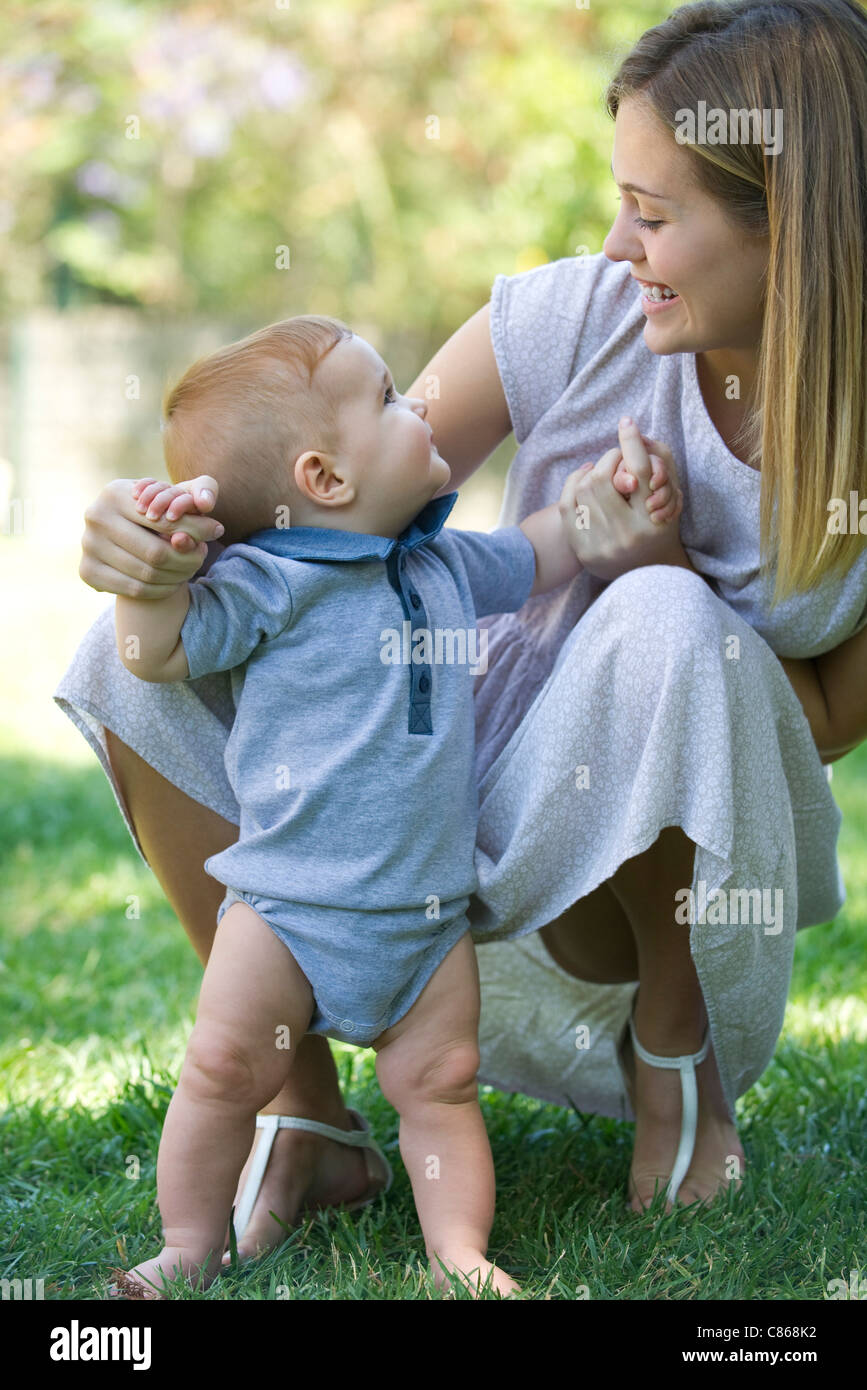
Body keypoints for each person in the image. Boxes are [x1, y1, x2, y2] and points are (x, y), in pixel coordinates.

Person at [58, 0, 866, 1260]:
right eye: (620, 203)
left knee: (665, 613)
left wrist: (656, 566)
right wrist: (152, 547)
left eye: (652, 215)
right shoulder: (572, 317)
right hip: (424, 790)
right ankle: (303, 1107)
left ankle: (676, 1055)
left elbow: (817, 727)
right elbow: (336, 492)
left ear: (795, 227)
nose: (617, 245)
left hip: (630, 860)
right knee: (119, 660)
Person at [105, 316, 682, 1298]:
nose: (417, 403)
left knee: (441, 1086)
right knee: (222, 1071)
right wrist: (152, 579)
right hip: (283, 914)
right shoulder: (268, 582)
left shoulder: (441, 566)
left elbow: (543, 550)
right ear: (324, 478)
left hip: (423, 921)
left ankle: (458, 1253)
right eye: (387, 398)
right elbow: (159, 651)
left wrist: (608, 504)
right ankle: (188, 1244)